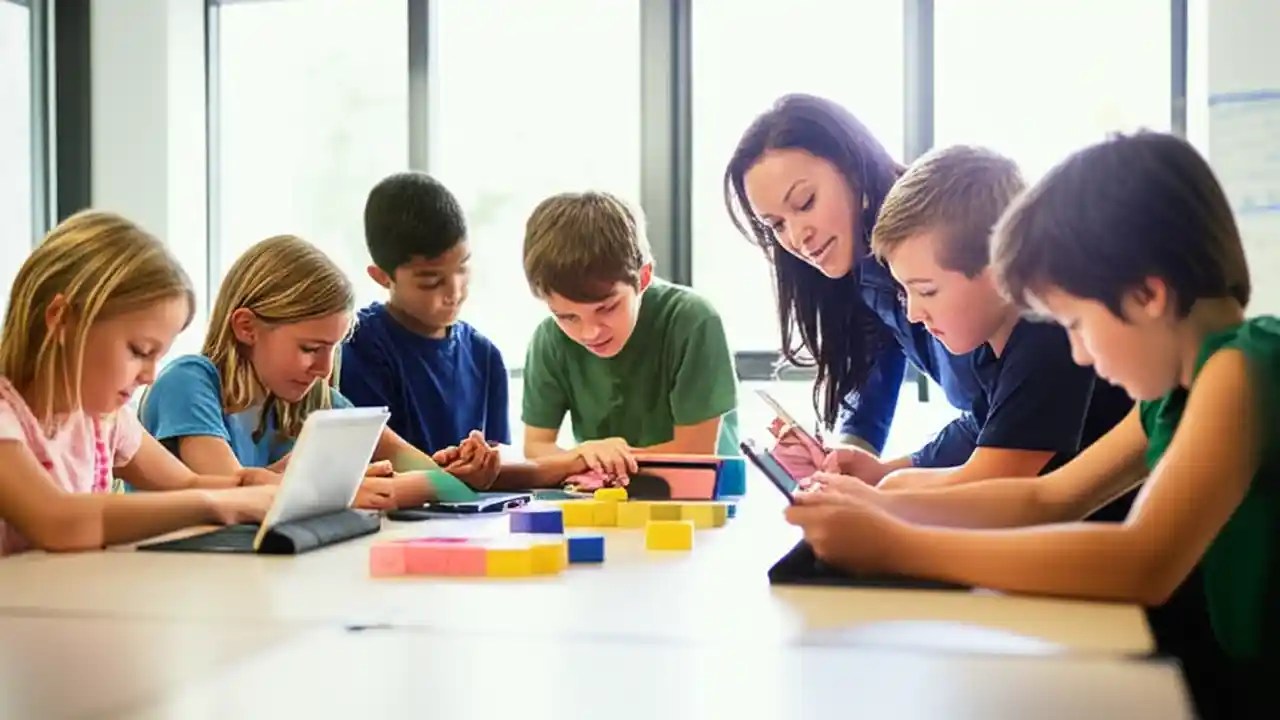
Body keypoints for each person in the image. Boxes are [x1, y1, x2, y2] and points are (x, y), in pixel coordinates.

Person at [787, 133, 1274, 718]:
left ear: (1147, 294)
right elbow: (1048, 499)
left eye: (1074, 323)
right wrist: (882, 508)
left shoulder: (1242, 366)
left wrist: (901, 544)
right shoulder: (1172, 397)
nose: (1079, 356)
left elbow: (1144, 561)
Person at [725, 93, 1128, 492]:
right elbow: (990, 423)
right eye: (775, 225)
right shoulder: (867, 276)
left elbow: (1008, 476)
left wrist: (884, 490)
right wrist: (862, 473)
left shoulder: (1033, 317)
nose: (796, 237)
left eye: (805, 202)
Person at [811, 144, 1131, 493]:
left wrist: (889, 489)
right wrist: (882, 471)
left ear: (1000, 269)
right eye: (905, 293)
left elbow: (994, 480)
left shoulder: (1049, 335)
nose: (914, 314)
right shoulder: (992, 343)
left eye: (927, 291)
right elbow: (981, 430)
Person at [141, 234, 496, 507]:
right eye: (310, 349)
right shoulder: (188, 382)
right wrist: (341, 490)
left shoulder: (318, 401)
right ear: (247, 327)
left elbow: (438, 480)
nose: (324, 370)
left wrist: (463, 471)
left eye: (333, 349)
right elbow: (233, 492)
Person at [0, 210, 275, 554]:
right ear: (63, 320)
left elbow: (185, 483)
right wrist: (215, 504)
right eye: (139, 351)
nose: (150, 375)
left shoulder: (104, 419)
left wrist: (248, 485)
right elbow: (57, 521)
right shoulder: (7, 418)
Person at [520, 191, 739, 477]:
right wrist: (585, 452)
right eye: (567, 316)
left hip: (704, 498)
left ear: (643, 277)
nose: (590, 332)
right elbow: (536, 446)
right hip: (608, 498)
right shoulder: (549, 339)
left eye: (607, 308)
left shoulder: (692, 320)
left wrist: (591, 460)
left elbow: (695, 452)